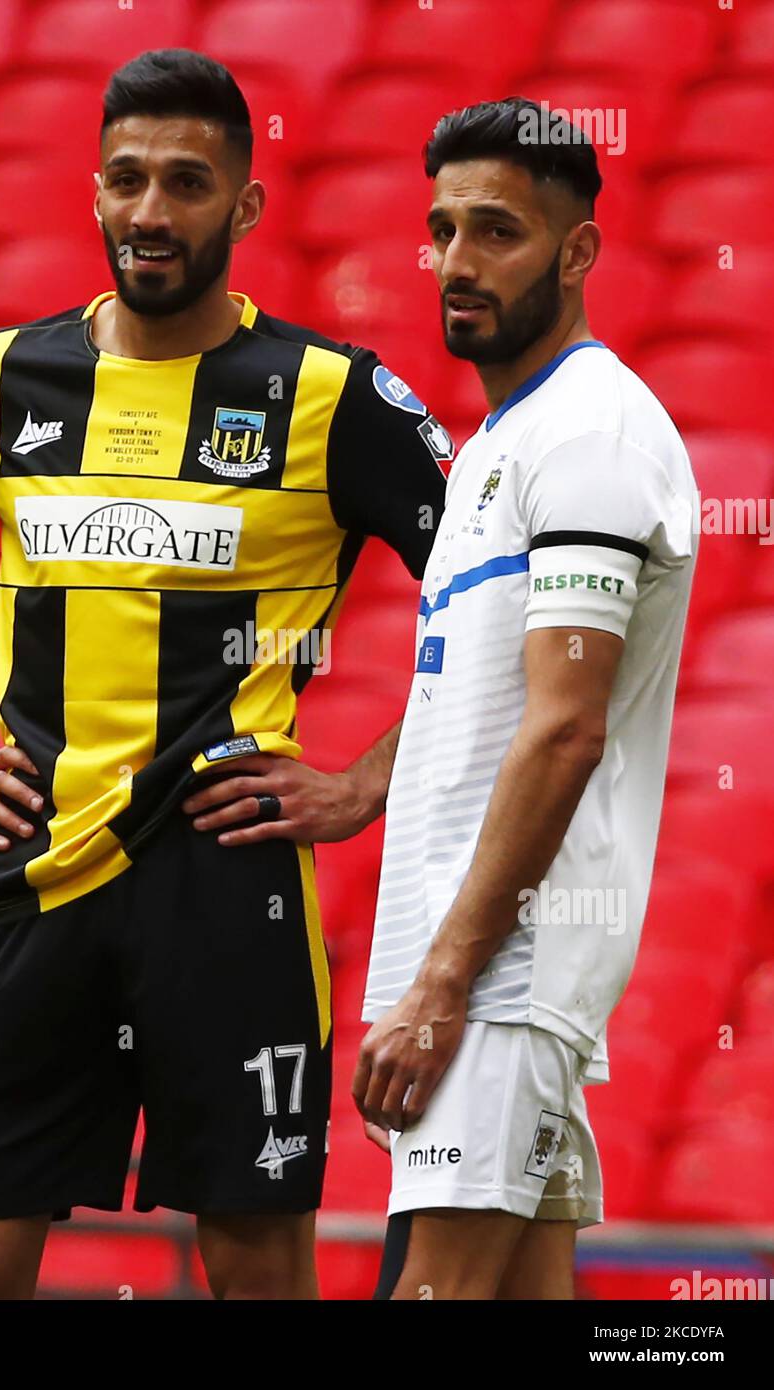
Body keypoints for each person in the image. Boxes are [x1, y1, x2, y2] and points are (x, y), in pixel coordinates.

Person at [0, 48, 450, 1300]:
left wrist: (364, 784)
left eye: (187, 182)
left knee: (252, 1268)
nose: (150, 211)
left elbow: (482, 602)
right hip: (31, 868)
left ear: (244, 205)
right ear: (93, 192)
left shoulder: (328, 396)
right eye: (127, 179)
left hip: (224, 878)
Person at [353, 97, 697, 1300]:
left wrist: (445, 981)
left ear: (578, 249)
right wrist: (355, 787)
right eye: (441, 228)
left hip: (505, 972)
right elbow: (491, 698)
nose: (455, 262)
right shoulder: (507, 435)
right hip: (491, 967)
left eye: (495, 231)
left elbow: (565, 725)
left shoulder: (594, 434)